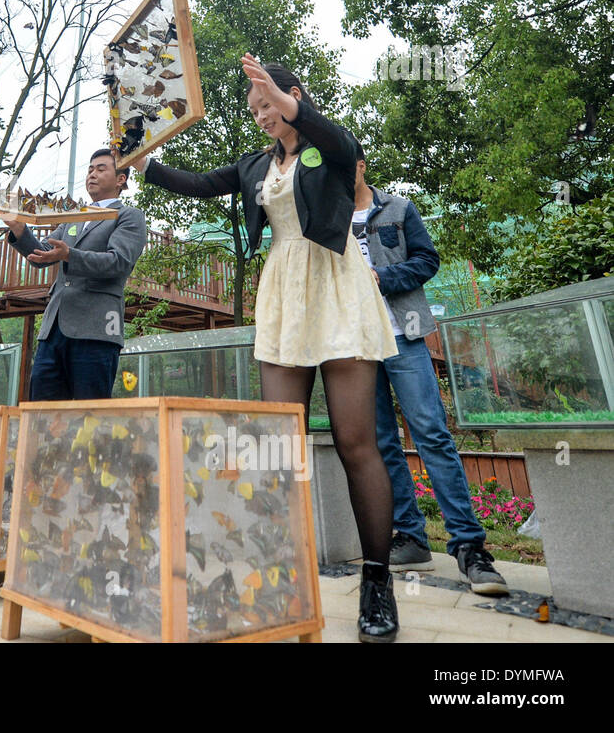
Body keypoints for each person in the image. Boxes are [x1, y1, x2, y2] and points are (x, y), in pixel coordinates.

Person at [131, 54, 401, 642]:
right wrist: (145, 163)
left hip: (334, 282)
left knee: (358, 444)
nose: (261, 117)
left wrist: (289, 105)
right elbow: (202, 185)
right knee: (279, 443)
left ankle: (377, 583)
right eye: (254, 110)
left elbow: (339, 137)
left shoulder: (327, 146)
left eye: (269, 105)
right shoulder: (256, 163)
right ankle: (279, 572)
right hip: (283, 291)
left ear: (293, 96)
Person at [353, 150, 508, 595]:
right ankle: (412, 538)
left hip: (405, 334)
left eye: (344, 164)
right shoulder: (327, 222)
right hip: (357, 344)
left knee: (431, 433)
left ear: (361, 164)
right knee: (382, 443)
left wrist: (382, 277)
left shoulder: (399, 208)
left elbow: (427, 260)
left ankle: (469, 548)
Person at [4, 149, 147, 400]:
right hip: (53, 330)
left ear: (121, 179)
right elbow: (44, 254)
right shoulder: (74, 216)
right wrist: (19, 229)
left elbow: (118, 262)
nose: (92, 174)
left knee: (88, 417)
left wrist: (69, 255)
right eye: (90, 169)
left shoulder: (129, 216)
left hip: (96, 329)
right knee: (41, 415)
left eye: (101, 169)